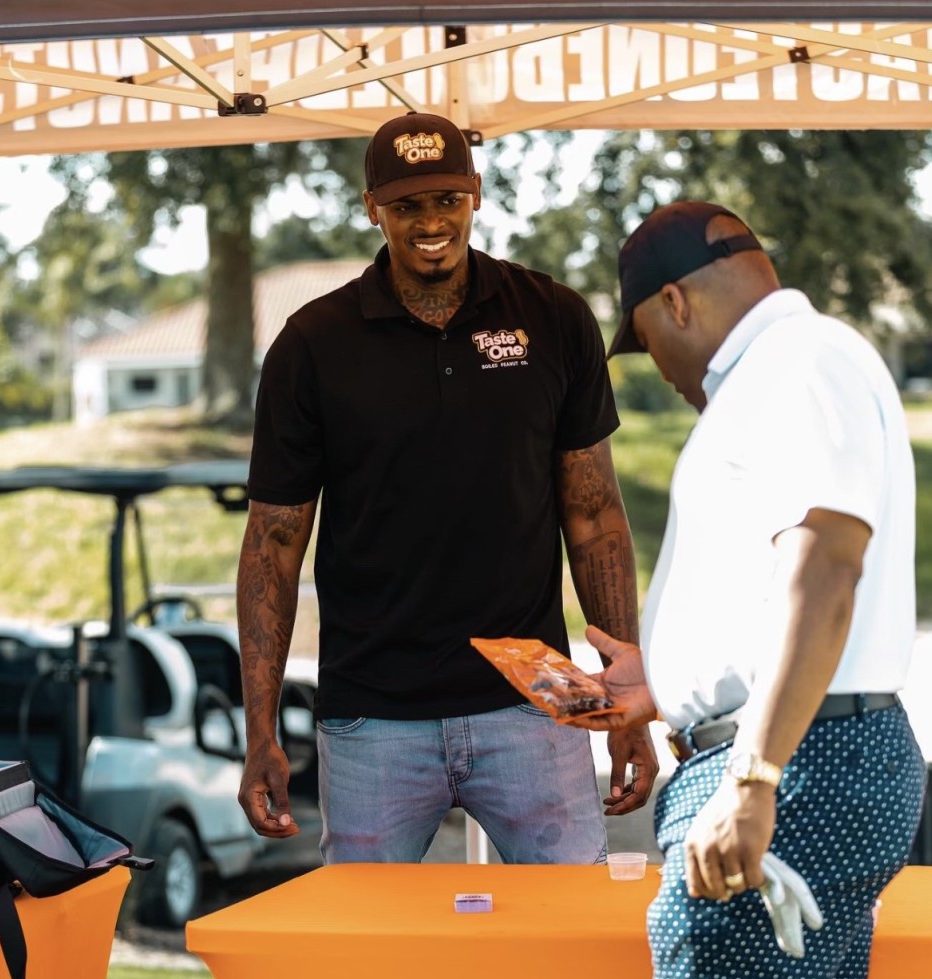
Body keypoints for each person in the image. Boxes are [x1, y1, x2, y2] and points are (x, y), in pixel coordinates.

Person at [574, 201, 926, 979]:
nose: (665, 377)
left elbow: (825, 567)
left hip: (788, 772)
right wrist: (662, 685)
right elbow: (787, 590)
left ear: (675, 302)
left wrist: (752, 773)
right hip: (831, 759)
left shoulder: (789, 365)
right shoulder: (811, 364)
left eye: (647, 347)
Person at [235, 111, 657, 865]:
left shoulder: (553, 318)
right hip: (372, 719)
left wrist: (624, 706)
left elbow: (592, 517)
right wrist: (259, 729)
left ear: (475, 196)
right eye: (406, 206)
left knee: (567, 943)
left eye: (445, 200)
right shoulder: (312, 343)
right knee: (371, 962)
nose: (430, 222)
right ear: (373, 208)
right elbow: (272, 542)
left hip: (534, 708)